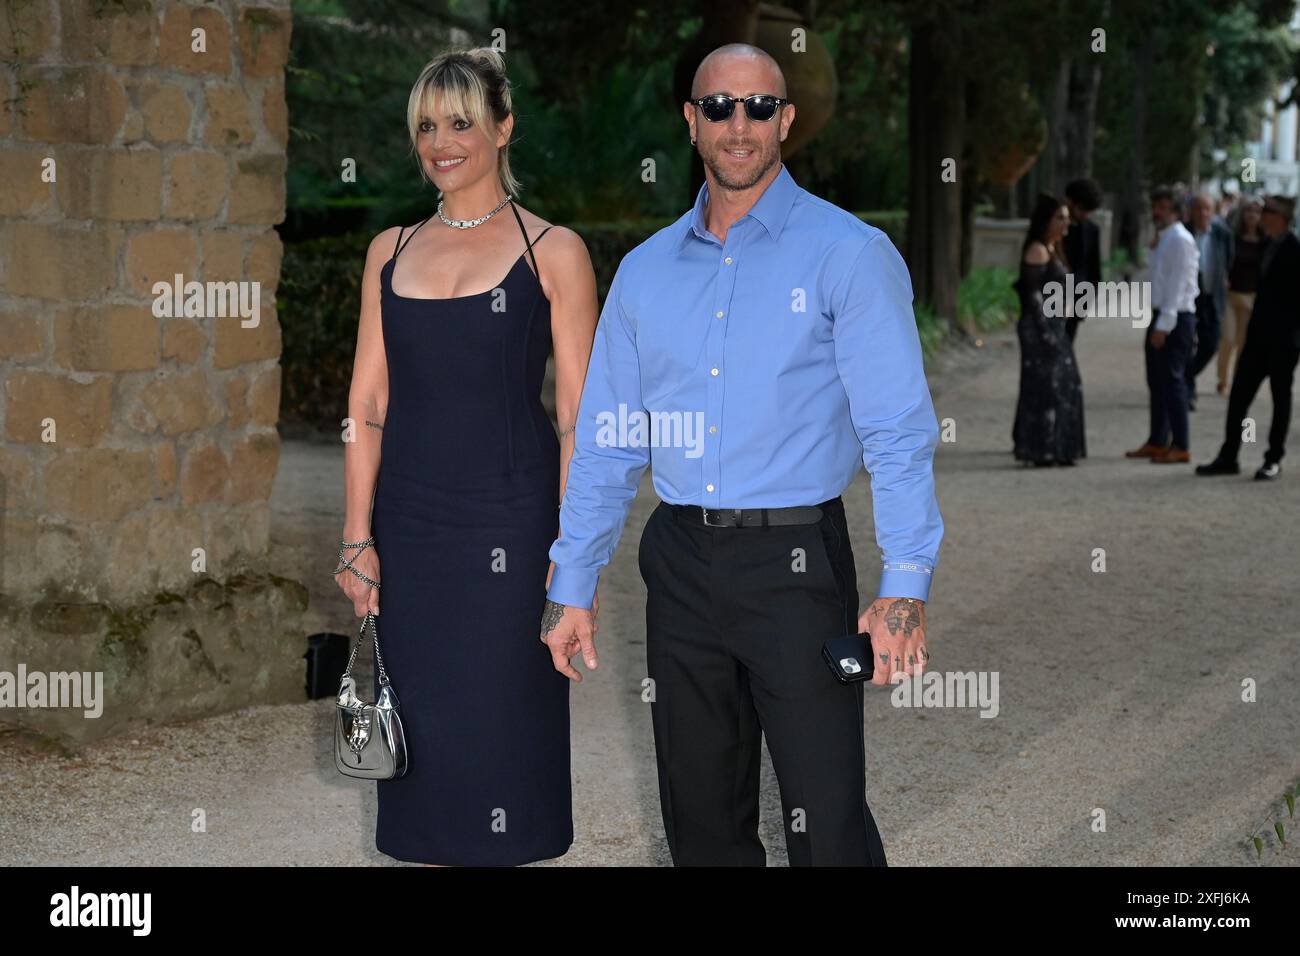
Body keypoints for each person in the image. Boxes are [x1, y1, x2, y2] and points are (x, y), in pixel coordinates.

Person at [540, 43, 943, 866]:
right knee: (701, 823)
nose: (739, 123)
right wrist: (571, 583)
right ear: (691, 123)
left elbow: (898, 431)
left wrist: (905, 586)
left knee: (826, 820)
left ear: (786, 121)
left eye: (759, 106)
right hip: (681, 562)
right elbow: (608, 444)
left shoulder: (850, 254)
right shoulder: (646, 273)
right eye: (718, 106)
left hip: (796, 564)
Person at [335, 48, 599, 865]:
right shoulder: (390, 248)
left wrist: (572, 562)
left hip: (515, 532)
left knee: (503, 727)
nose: (440, 142)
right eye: (425, 126)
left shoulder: (555, 250)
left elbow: (577, 420)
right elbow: (366, 405)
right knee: (420, 737)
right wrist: (356, 535)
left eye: (460, 122)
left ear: (503, 127)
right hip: (409, 532)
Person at [1196, 194, 1300, 481]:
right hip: (1257, 338)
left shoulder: (1294, 248)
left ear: (1280, 217)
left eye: (1267, 211)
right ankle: (1229, 455)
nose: (1261, 215)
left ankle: (1273, 458)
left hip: (1283, 342)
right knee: (1239, 397)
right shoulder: (1266, 244)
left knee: (1281, 400)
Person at [1011, 193, 1087, 466]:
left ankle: (1058, 447)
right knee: (1045, 387)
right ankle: (1041, 448)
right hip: (1039, 329)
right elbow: (1032, 297)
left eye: (1068, 218)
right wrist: (1047, 335)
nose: (1066, 224)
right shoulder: (1037, 250)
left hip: (1054, 326)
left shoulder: (1054, 248)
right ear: (1046, 220)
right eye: (1060, 218)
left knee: (1065, 384)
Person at [1126, 186, 1199, 464]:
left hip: (1175, 317)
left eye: (1164, 208)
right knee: (1157, 380)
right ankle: (1158, 439)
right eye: (1156, 207)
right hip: (1161, 314)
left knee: (1173, 380)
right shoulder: (1164, 239)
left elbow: (1178, 286)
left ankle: (1180, 444)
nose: (1157, 212)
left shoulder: (1180, 240)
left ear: (1176, 212)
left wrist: (1164, 324)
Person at [1186, 193, 1234, 410]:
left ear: (1213, 212)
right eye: (1198, 208)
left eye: (1207, 209)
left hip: (1212, 297)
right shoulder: (1182, 232)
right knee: (1186, 344)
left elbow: (1230, 260)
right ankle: (1187, 392)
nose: (1202, 213)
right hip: (1187, 298)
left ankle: (1185, 376)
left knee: (1211, 343)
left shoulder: (1222, 234)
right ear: (1191, 211)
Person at [1218, 196, 1262, 394]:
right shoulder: (1232, 238)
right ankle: (1222, 379)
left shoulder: (1265, 242)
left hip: (1251, 298)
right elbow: (1222, 261)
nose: (1252, 215)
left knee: (1244, 345)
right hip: (1230, 295)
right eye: (1249, 211)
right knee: (1228, 339)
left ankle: (1237, 382)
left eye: (1256, 211)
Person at [1062, 178, 1103, 343]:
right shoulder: (1051, 226)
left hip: (1076, 301)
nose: (1085, 215)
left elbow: (1094, 270)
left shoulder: (1091, 230)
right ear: (1070, 202)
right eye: (1081, 209)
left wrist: (1084, 304)